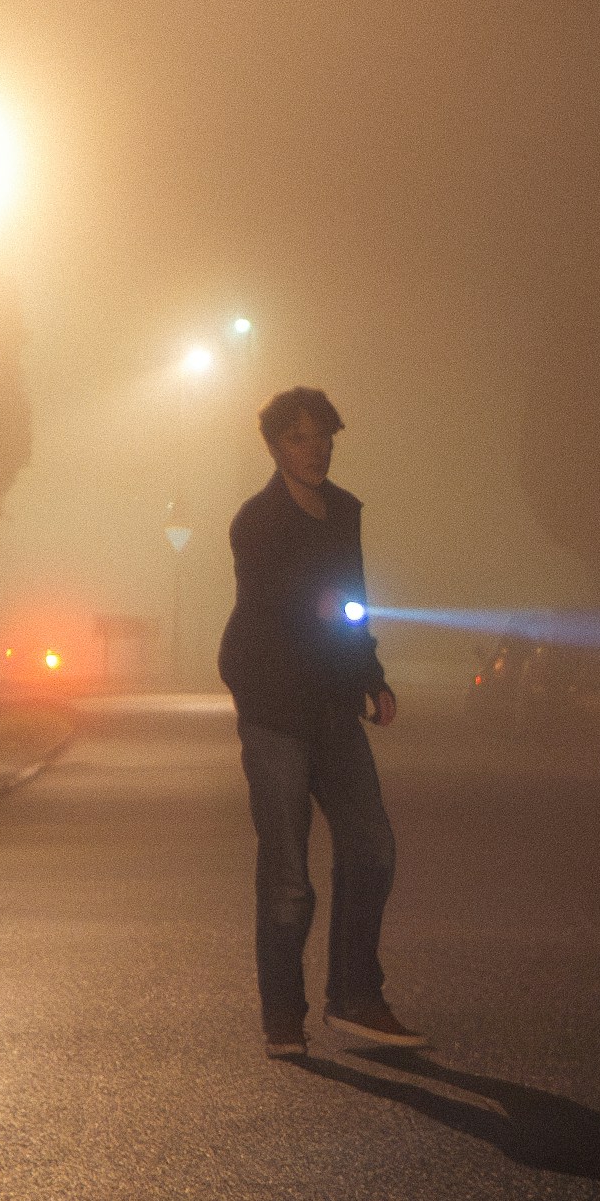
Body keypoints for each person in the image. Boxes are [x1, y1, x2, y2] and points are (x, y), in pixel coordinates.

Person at [220, 385, 422, 1057]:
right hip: (275, 709)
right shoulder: (257, 521)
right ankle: (283, 1017)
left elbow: (353, 604)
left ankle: (355, 997)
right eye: (300, 438)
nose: (316, 449)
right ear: (276, 447)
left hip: (333, 707)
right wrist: (321, 606)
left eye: (324, 436)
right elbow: (274, 605)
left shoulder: (344, 511)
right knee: (288, 876)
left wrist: (371, 676)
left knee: (372, 848)